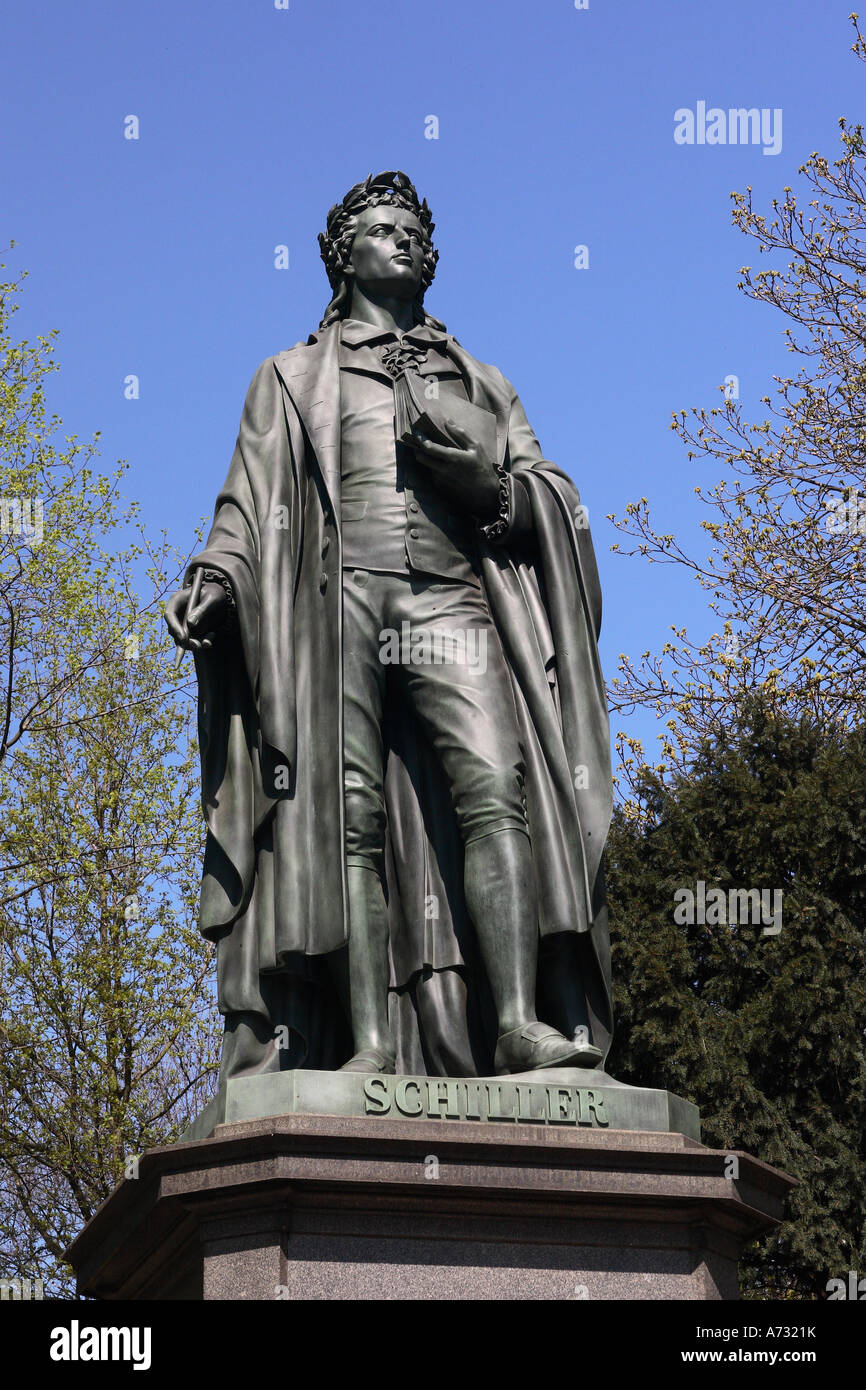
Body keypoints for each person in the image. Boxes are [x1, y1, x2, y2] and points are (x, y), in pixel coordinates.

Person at [165, 171, 613, 1083]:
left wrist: (494, 492)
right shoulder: (291, 380)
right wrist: (214, 580)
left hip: (454, 602)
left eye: (415, 229)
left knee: (498, 792)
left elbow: (555, 498)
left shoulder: (480, 380)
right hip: (340, 608)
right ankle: (371, 1042)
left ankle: (519, 1025)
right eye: (383, 228)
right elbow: (246, 508)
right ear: (344, 256)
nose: (405, 240)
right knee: (347, 821)